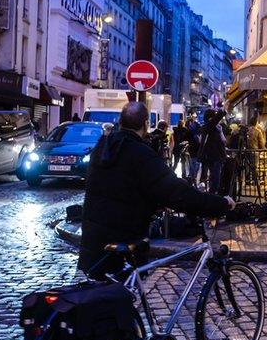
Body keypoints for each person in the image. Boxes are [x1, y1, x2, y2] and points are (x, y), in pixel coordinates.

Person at [80, 102, 234, 279]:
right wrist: (220, 204)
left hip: (93, 244)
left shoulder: (103, 147)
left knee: (107, 292)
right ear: (146, 124)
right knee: (122, 293)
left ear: (120, 122)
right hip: (123, 246)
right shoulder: (140, 154)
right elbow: (178, 194)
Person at [197, 108, 228, 194]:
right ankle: (212, 194)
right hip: (212, 156)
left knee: (214, 177)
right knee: (215, 178)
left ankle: (212, 194)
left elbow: (224, 141)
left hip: (218, 156)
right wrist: (222, 111)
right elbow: (215, 120)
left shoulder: (218, 128)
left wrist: (221, 132)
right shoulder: (208, 126)